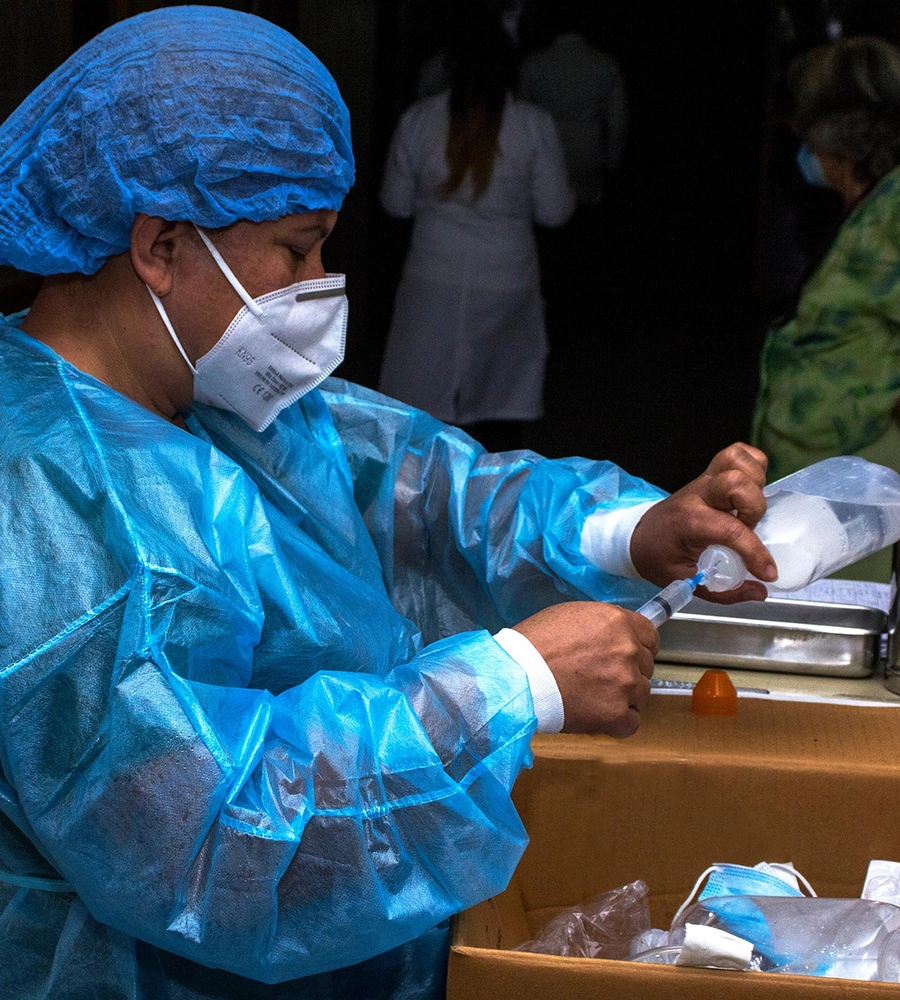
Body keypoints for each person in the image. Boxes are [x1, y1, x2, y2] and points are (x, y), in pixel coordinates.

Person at [0, 7, 776, 999]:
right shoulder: (43, 496)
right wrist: (507, 687)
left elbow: (426, 492)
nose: (320, 286)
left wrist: (631, 530)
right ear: (160, 245)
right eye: (297, 250)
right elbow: (206, 839)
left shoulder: (205, 396)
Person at [378, 9, 575, 452]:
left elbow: (395, 203)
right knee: (499, 409)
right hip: (506, 281)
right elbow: (555, 212)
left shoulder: (418, 120)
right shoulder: (534, 125)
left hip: (431, 278)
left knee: (423, 410)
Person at [751, 34, 900, 581]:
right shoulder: (867, 207)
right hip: (826, 461)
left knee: (849, 601)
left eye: (807, 130)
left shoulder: (894, 208)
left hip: (860, 469)